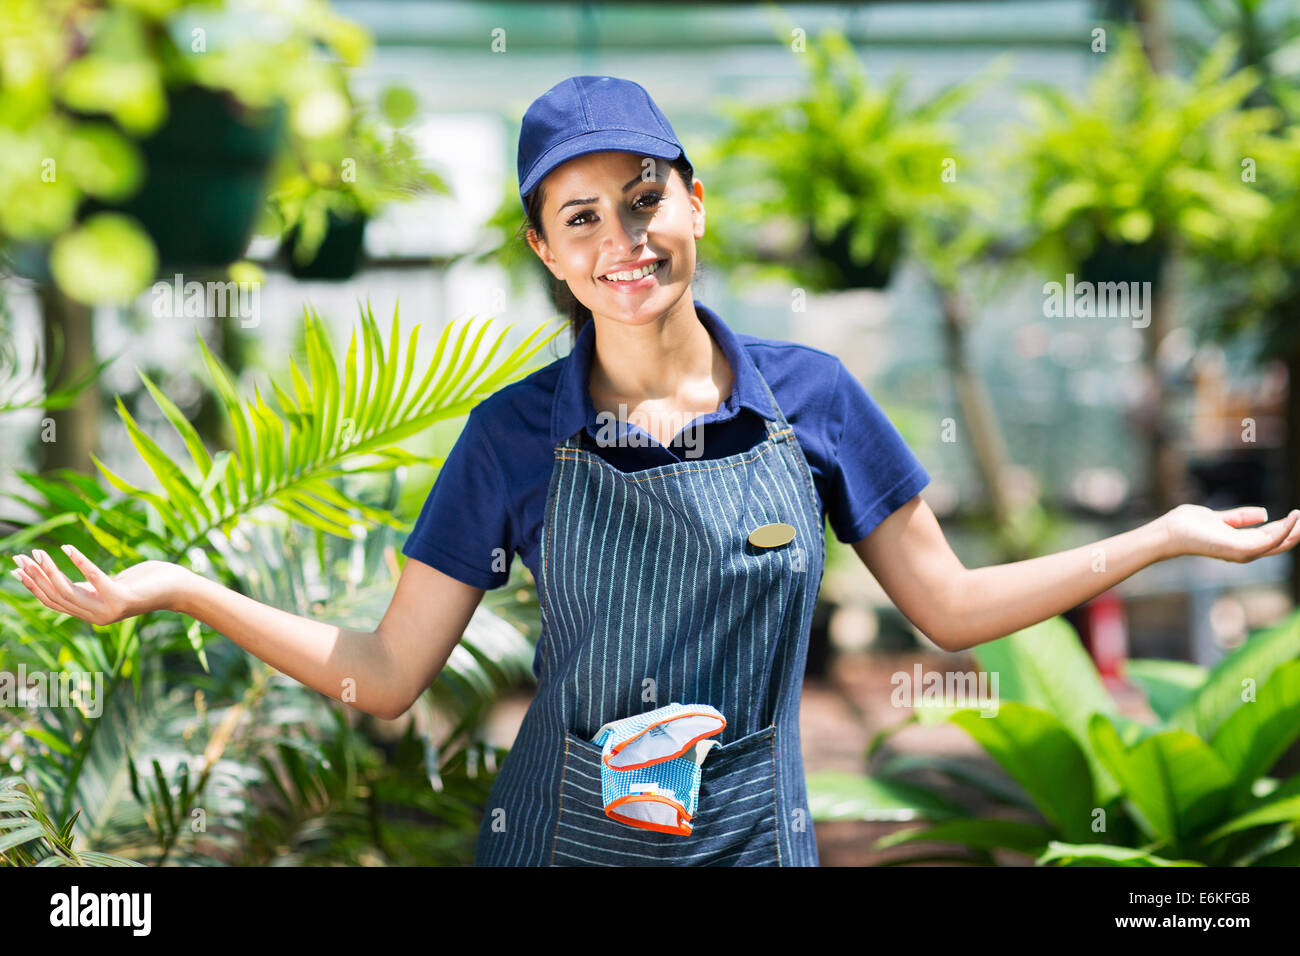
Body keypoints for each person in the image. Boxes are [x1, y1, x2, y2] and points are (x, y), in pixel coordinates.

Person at [9, 75, 1300, 867]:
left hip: (757, 844)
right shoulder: (514, 438)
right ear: (546, 251)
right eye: (583, 218)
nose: (622, 238)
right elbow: (387, 677)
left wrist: (1161, 534)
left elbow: (948, 610)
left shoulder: (814, 401)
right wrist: (185, 587)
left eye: (643, 199)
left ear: (696, 202)